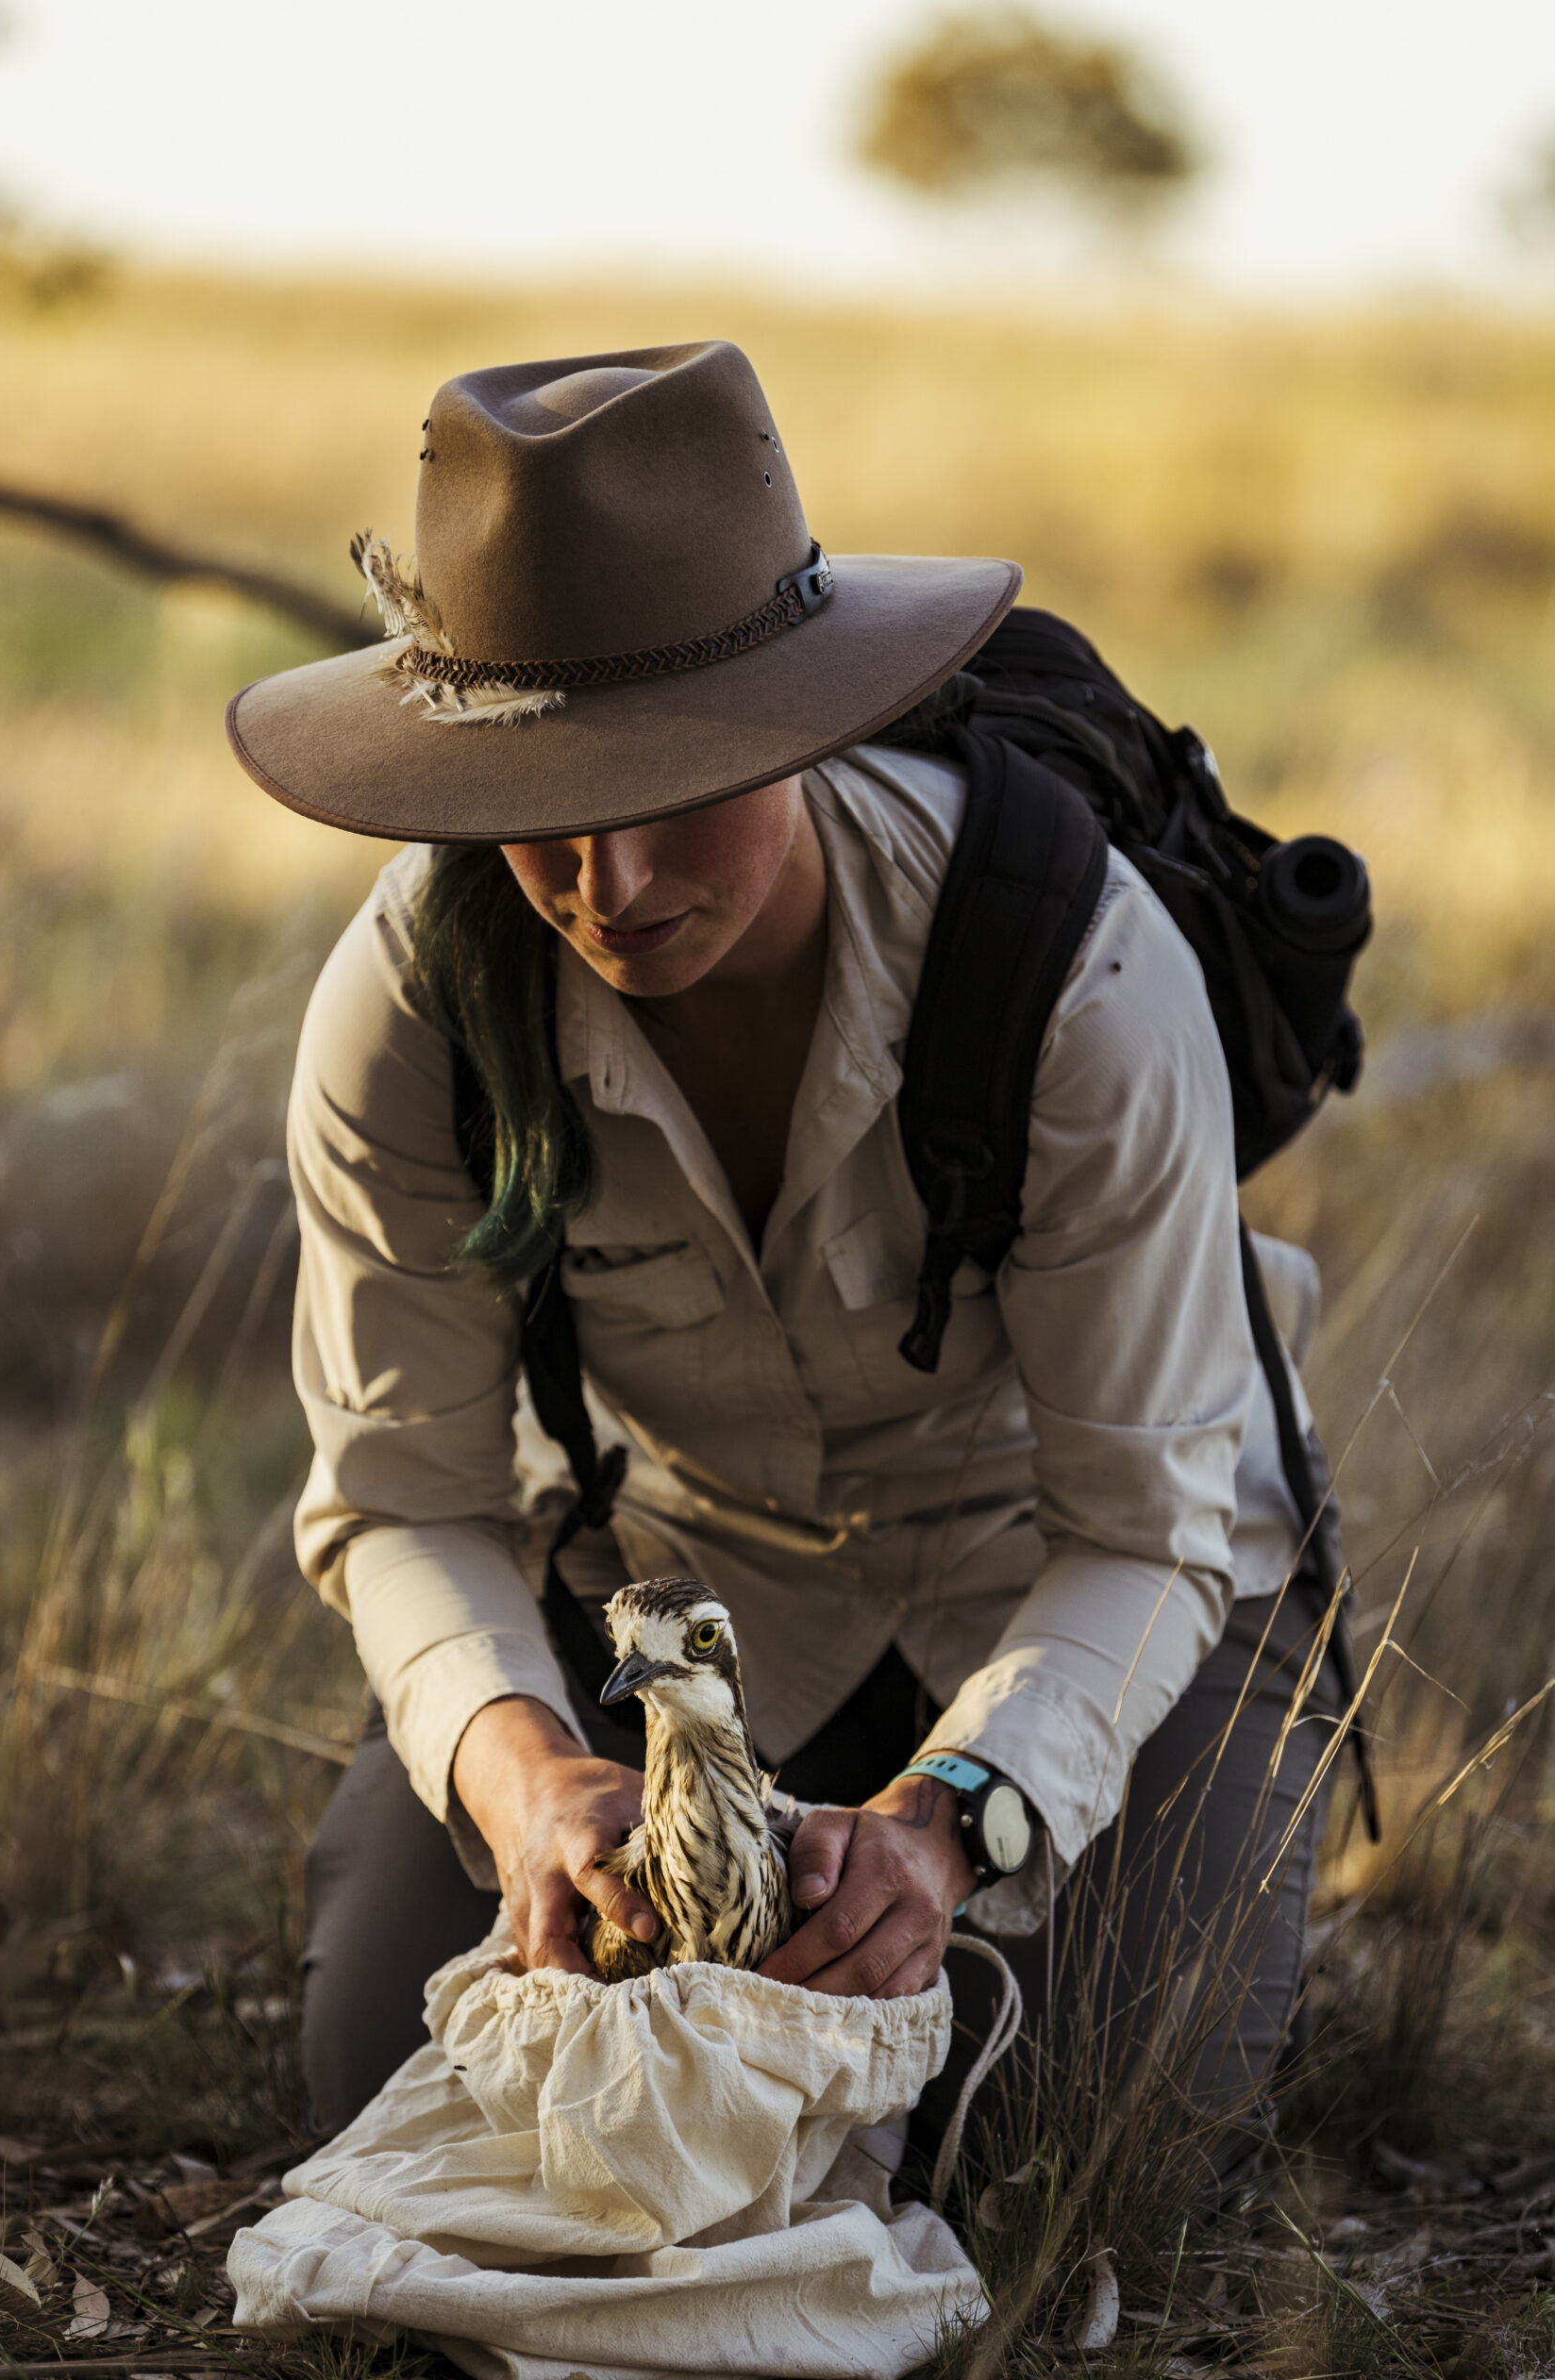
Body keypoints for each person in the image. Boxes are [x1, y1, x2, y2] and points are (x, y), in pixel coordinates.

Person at [226, 339, 1343, 2143]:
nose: (617, 885)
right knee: (412, 2072)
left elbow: (1148, 1523)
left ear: (805, 724)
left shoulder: (1072, 965)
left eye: (676, 788)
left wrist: (943, 1822)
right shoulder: (415, 1005)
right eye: (541, 821)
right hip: (690, 1586)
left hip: (1085, 1562)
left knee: (1065, 2125)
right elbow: (404, 1494)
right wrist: (527, 1781)